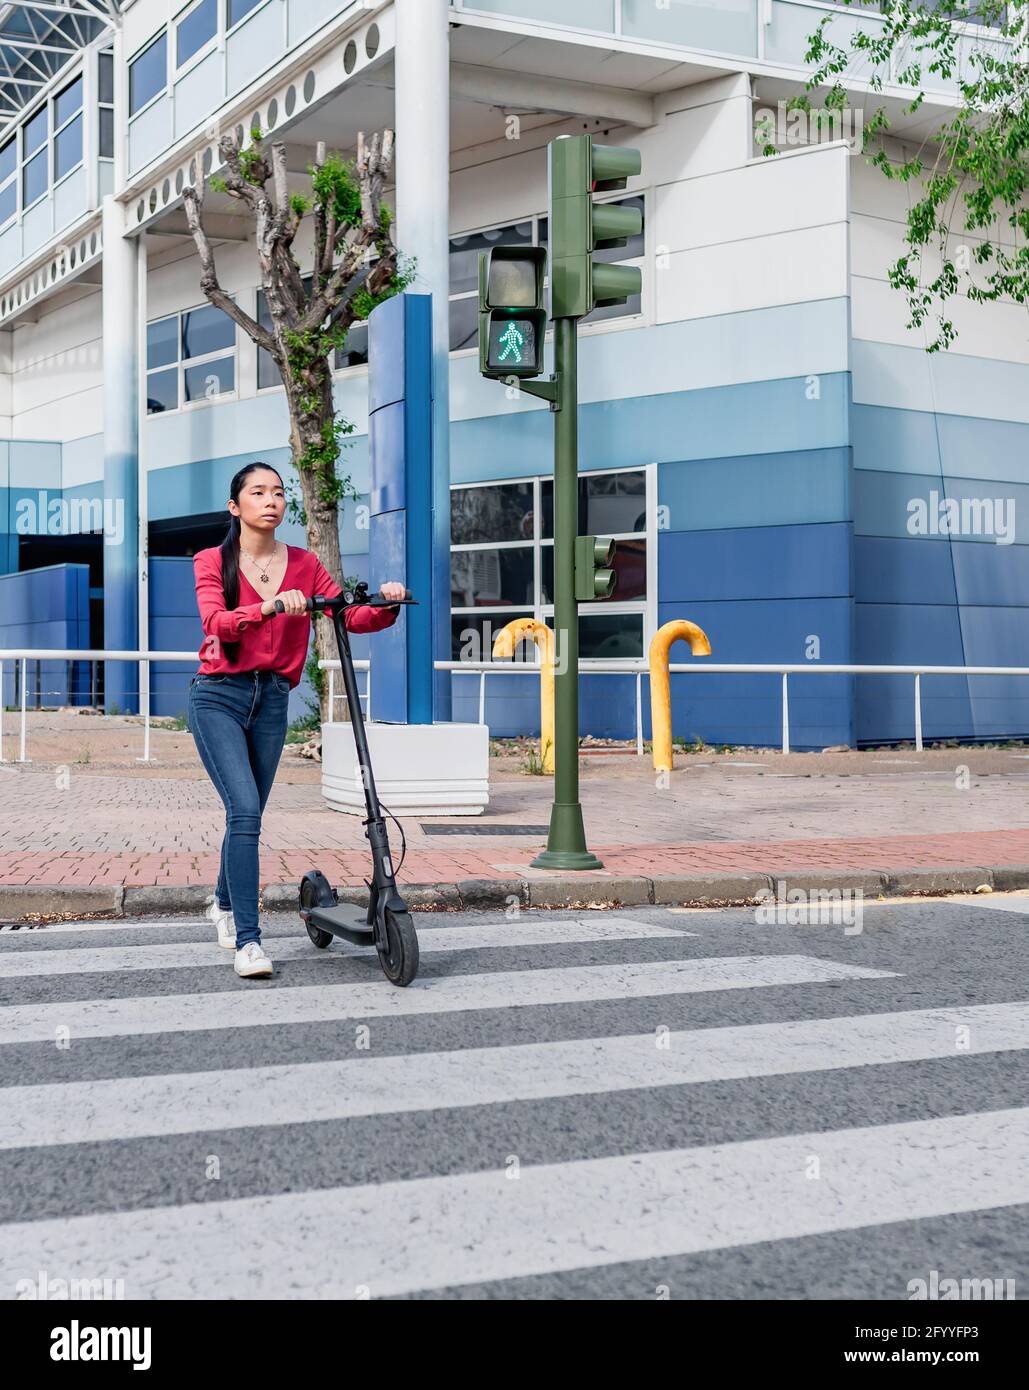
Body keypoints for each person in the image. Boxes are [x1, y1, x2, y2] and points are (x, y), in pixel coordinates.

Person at [188, 461, 404, 979]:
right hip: (218, 694)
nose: (271, 500)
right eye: (258, 492)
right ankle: (249, 942)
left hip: (273, 699)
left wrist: (388, 604)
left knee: (249, 813)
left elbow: (345, 614)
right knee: (244, 810)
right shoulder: (212, 560)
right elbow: (216, 622)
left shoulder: (305, 564)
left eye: (279, 493)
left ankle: (221, 901)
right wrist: (267, 608)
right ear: (235, 506)